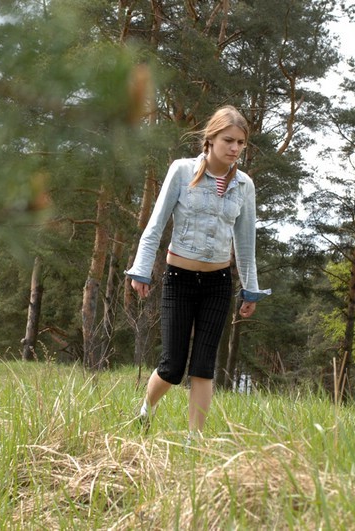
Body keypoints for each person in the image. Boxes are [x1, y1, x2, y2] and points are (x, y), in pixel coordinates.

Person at [125, 105, 270, 437]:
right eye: (228, 140)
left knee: (204, 366)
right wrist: (141, 270)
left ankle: (194, 441)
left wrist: (250, 289)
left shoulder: (244, 186)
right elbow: (156, 223)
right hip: (179, 279)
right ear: (211, 137)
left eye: (241, 143)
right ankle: (146, 409)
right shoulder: (181, 170)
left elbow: (246, 243)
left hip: (218, 283)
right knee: (173, 367)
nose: (234, 149)